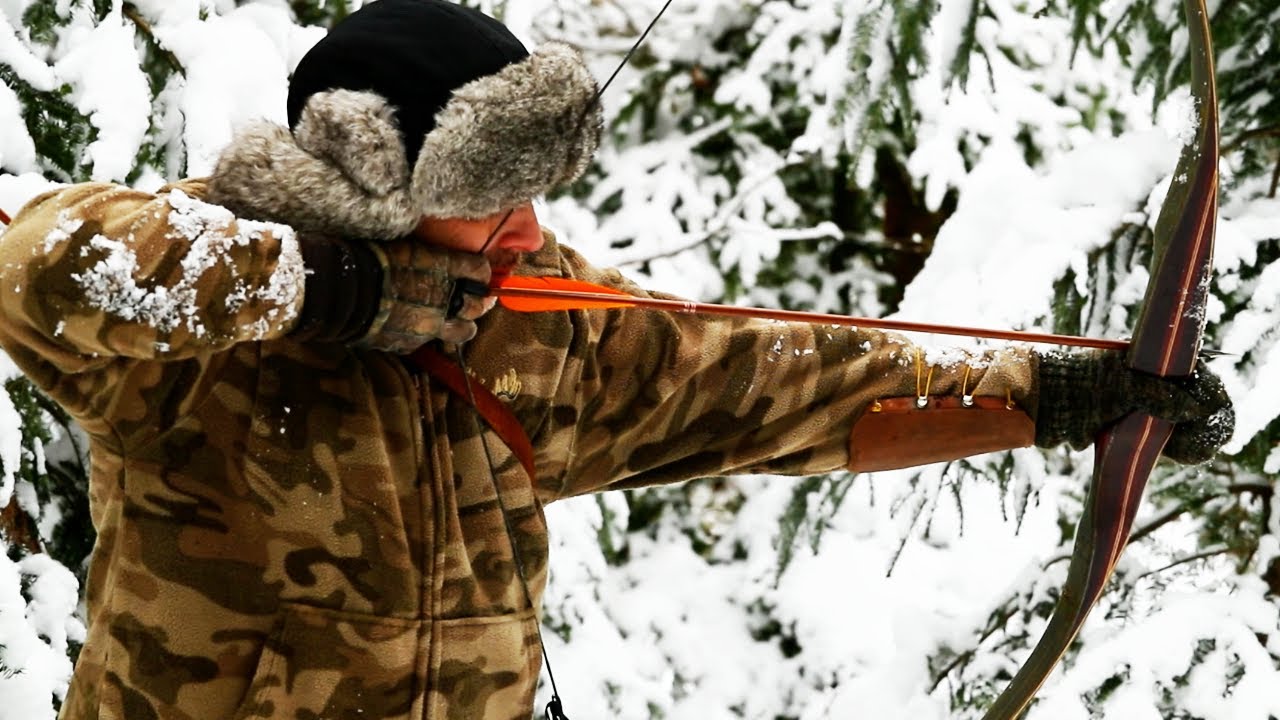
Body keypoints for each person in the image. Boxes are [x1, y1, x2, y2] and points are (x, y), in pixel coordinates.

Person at [0, 1, 1233, 719]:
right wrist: (339, 293)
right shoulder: (194, 333)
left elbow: (777, 384)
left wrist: (1068, 398)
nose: (531, 231)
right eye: (496, 197)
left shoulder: (531, 317)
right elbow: (42, 262)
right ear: (380, 182)